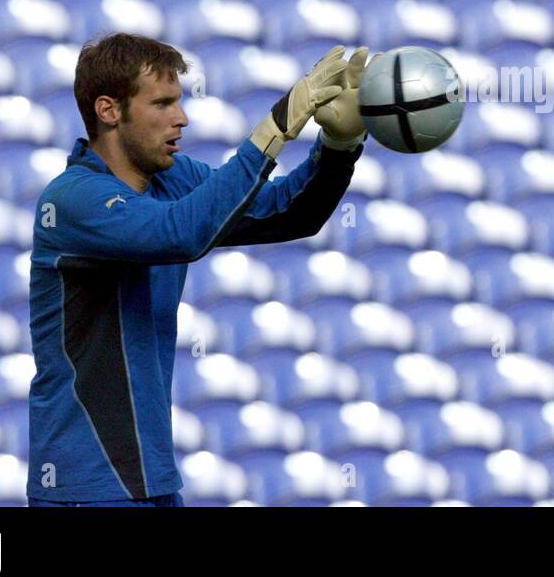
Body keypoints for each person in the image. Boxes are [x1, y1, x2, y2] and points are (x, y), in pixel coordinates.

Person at [26, 33, 369, 506]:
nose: (181, 118)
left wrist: (339, 144)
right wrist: (272, 131)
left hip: (153, 480)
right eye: (162, 103)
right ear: (108, 111)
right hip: (86, 485)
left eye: (179, 102)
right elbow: (178, 233)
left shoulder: (174, 179)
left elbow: (291, 213)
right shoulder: (71, 200)